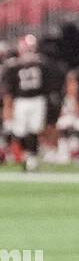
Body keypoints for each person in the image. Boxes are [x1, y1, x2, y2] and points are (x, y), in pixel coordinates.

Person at [1, 34, 60, 171]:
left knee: (34, 130)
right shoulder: (14, 66)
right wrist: (8, 106)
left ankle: (31, 158)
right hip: (21, 101)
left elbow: (49, 86)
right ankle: (25, 156)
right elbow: (9, 89)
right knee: (18, 131)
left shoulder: (42, 64)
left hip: (37, 100)